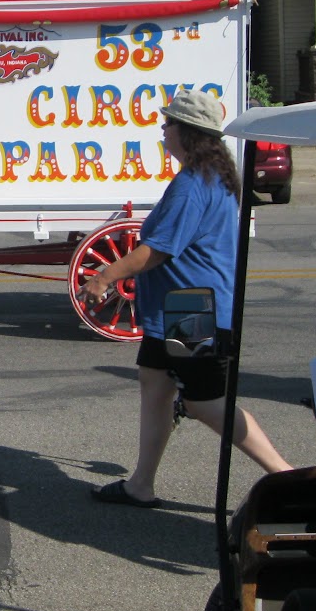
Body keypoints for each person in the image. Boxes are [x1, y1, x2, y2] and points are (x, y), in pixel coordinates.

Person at [79, 89, 291, 507]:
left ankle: (289, 477)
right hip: (174, 308)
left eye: (169, 123)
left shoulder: (194, 184)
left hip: (190, 309)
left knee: (206, 403)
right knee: (154, 384)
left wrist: (104, 275)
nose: (163, 129)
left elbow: (157, 250)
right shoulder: (206, 177)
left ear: (188, 133)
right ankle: (141, 484)